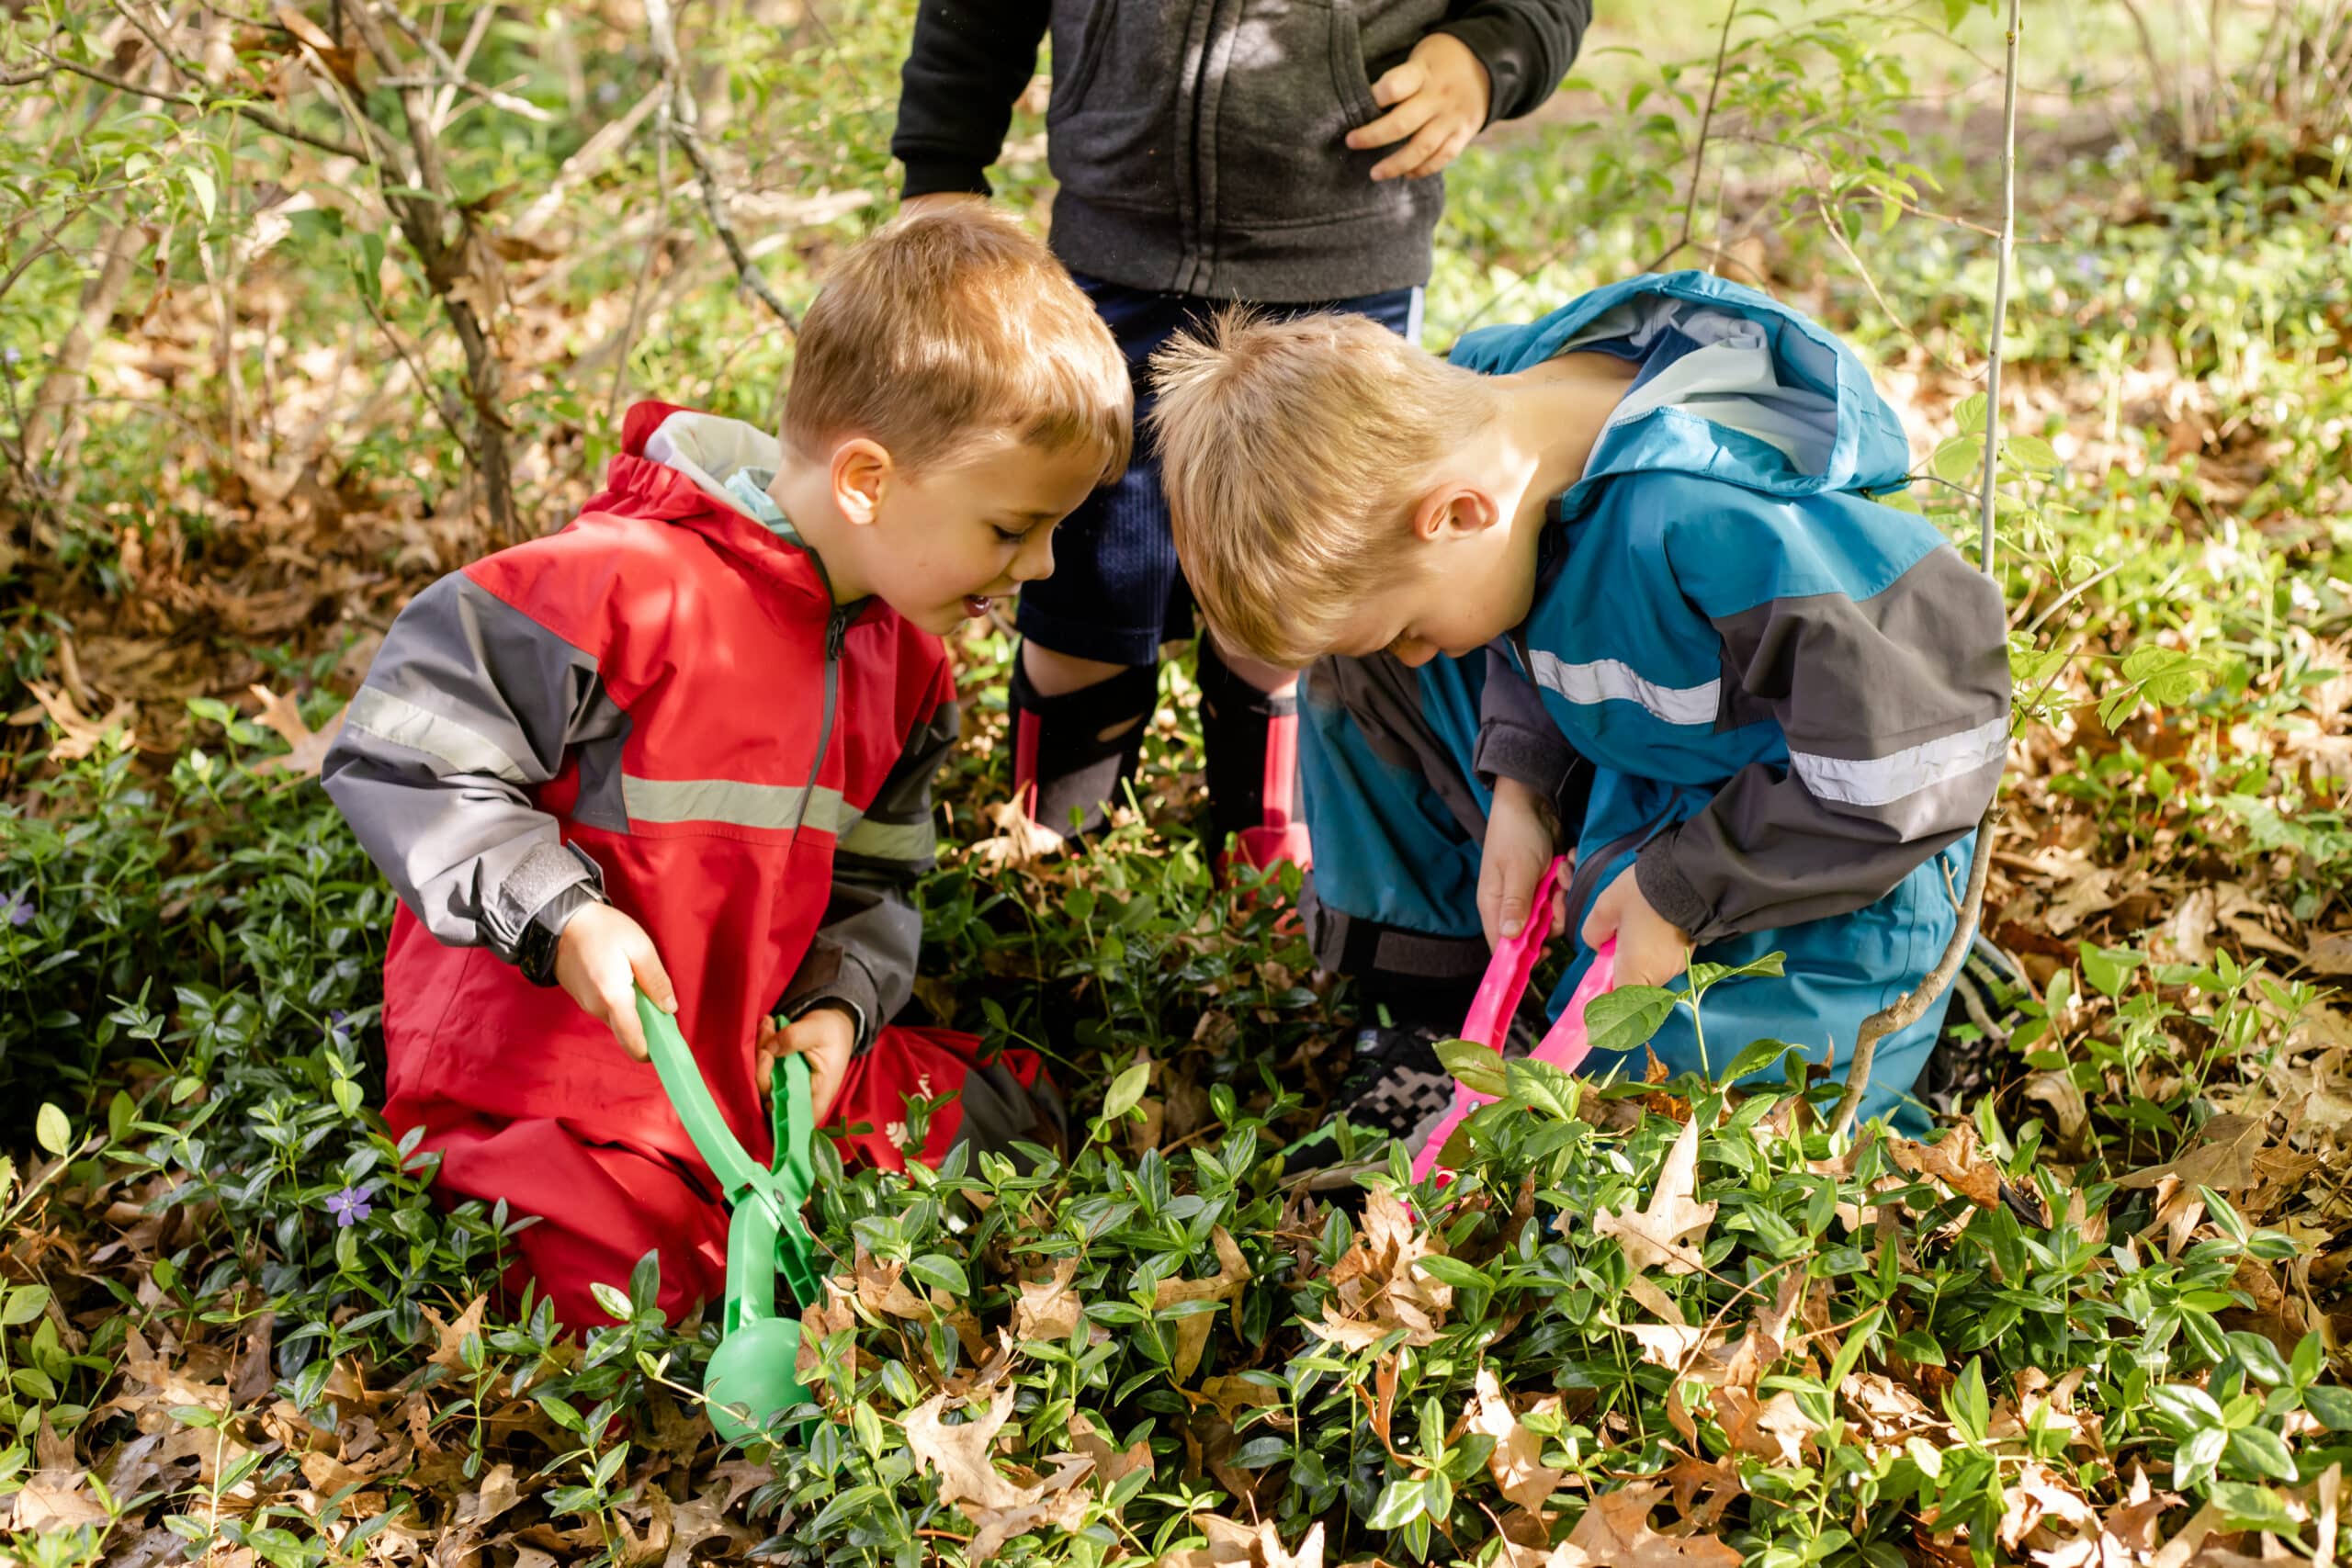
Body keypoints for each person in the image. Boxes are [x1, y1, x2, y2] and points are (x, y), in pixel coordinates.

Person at [322, 208, 1132, 1329]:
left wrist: (840, 1010)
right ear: (865, 481)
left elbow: (870, 889)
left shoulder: (909, 665)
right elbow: (396, 755)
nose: (1038, 565)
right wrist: (561, 919)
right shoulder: (609, 589)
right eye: (1010, 528)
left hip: (751, 1077)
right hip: (558, 1088)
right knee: (630, 1287)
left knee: (1010, 1118)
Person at [1148, 269, 2011, 1152]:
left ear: (1457, 513)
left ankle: (1931, 1008)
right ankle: (1427, 1012)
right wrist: (1522, 783)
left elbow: (1922, 753)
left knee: (1641, 1130)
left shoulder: (1718, 516)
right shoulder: (1490, 416)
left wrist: (1683, 890)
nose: (1411, 652)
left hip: (1823, 858)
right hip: (1650, 784)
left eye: (1411, 628)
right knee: (1362, 667)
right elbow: (1543, 597)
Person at [890, 0, 1591, 871]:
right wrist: (941, 165)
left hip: (1341, 254)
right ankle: (1054, 841)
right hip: (1112, 250)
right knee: (1084, 557)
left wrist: (1488, 55)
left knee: (1310, 562)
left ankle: (1270, 839)